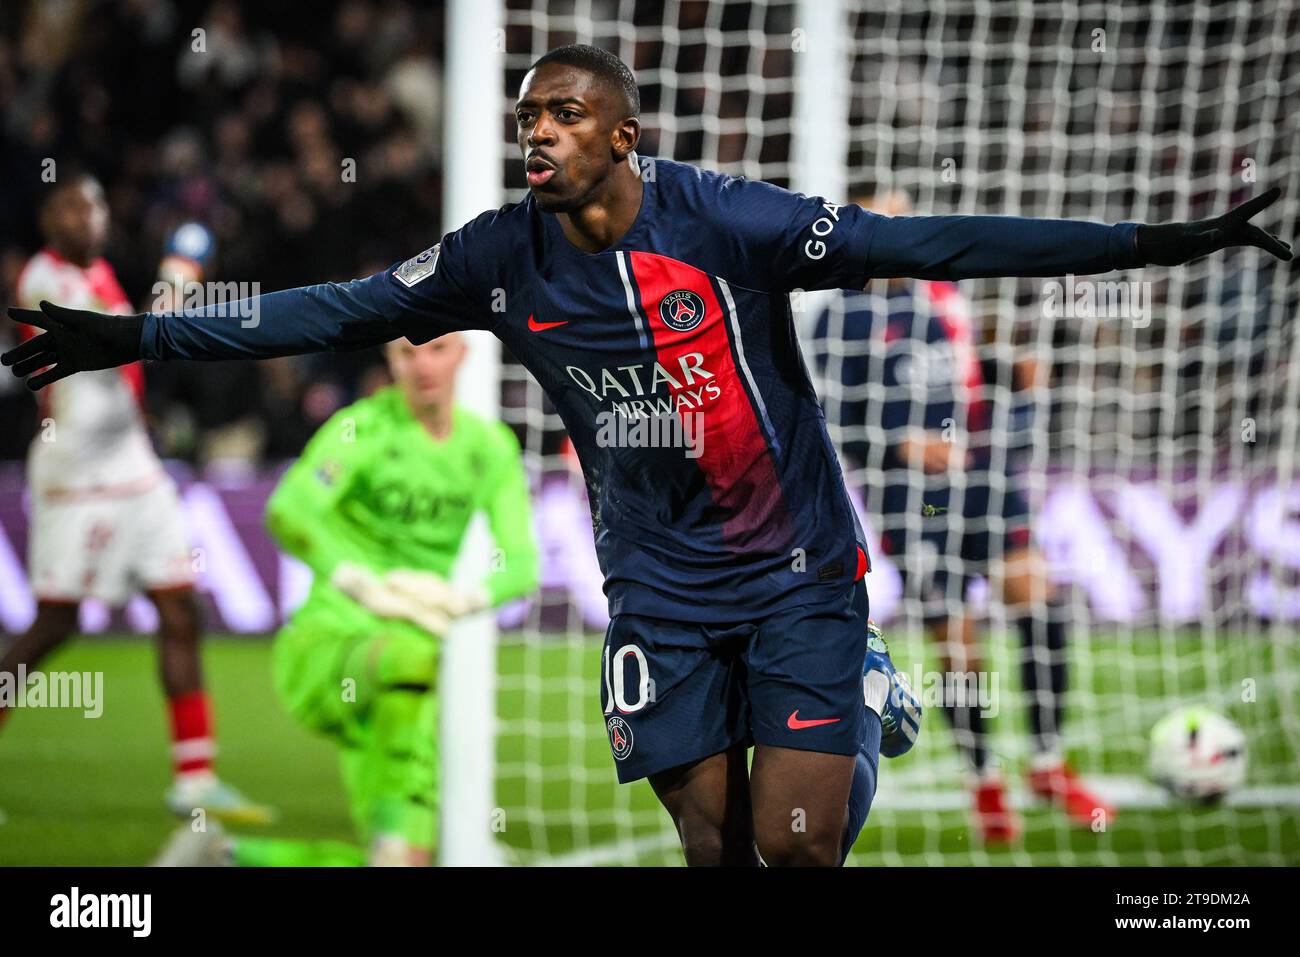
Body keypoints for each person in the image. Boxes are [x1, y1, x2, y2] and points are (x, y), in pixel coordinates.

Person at [4, 45, 1289, 866]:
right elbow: (327, 311)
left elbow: (937, 245)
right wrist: (134, 331)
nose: (538, 135)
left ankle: (856, 701)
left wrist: (1155, 242)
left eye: (564, 115)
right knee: (711, 841)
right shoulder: (494, 257)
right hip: (657, 587)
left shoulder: (730, 222)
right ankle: (856, 704)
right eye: (528, 118)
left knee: (796, 849)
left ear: (623, 135)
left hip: (792, 568)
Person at [156, 333, 538, 866]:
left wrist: (460, 599)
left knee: (401, 863)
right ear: (389, 359)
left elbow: (522, 564)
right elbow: (290, 510)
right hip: (329, 649)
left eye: (437, 348)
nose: (422, 365)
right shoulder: (363, 428)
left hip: (404, 683)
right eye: (407, 352)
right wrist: (361, 584)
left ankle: (226, 855)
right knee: (414, 655)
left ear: (463, 355)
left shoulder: (488, 446)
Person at [813, 188, 1115, 844]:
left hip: (980, 477)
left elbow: (962, 380)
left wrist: (1013, 374)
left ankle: (1045, 759)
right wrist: (899, 444)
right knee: (958, 641)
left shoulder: (936, 297)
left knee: (1038, 592)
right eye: (883, 217)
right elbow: (825, 420)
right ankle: (983, 778)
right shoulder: (842, 318)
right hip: (913, 498)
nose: (899, 229)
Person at [0, 172, 269, 823]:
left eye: (94, 203)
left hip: (136, 470)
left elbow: (136, 340)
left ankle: (195, 775)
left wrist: (170, 290)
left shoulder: (101, 278)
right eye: (70, 205)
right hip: (77, 477)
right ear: (49, 221)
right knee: (52, 626)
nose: (85, 216)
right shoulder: (44, 280)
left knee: (180, 609)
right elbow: (115, 338)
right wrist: (177, 279)